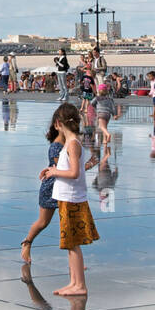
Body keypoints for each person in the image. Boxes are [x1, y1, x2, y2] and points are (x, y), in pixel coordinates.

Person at [39, 103, 98, 296]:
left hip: (72, 199)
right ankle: (74, 282)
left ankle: (79, 285)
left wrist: (55, 171)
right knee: (70, 244)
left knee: (73, 244)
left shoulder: (72, 144)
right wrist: (50, 171)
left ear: (58, 123)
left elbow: (74, 173)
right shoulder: (70, 143)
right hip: (67, 198)